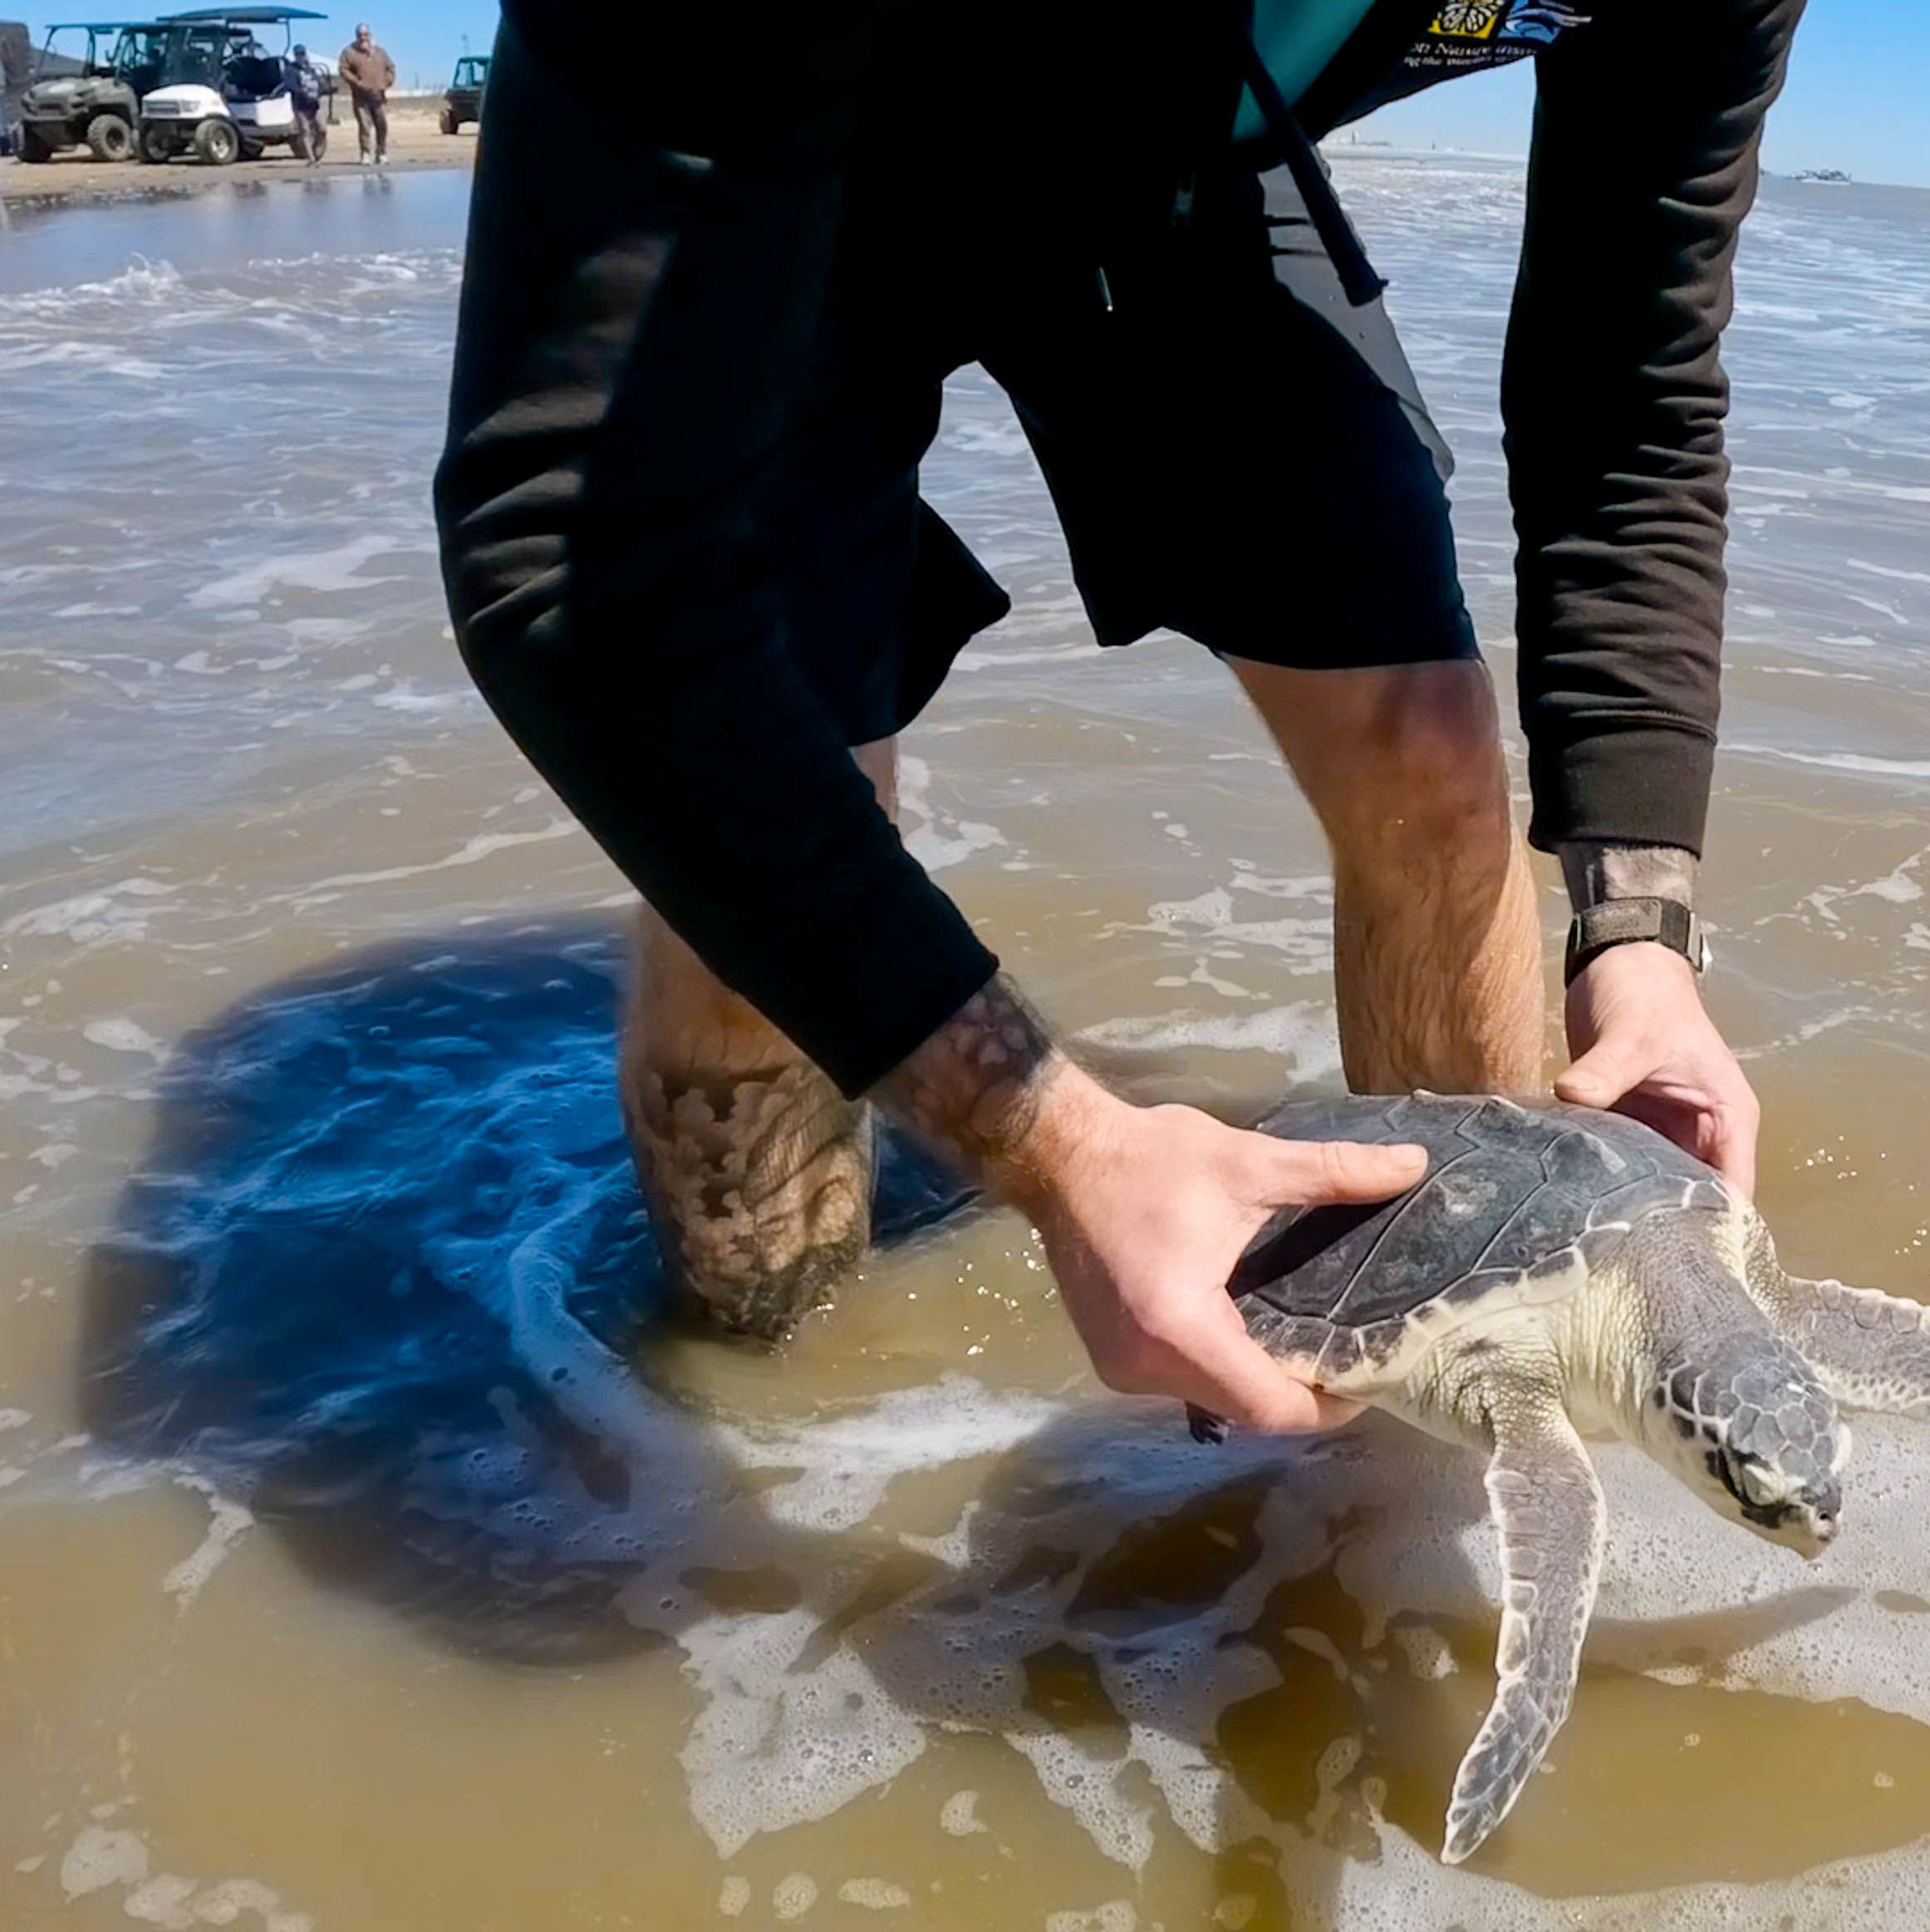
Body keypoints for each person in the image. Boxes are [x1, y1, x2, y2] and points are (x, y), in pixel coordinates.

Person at [433, 2, 1796, 1433]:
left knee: (1428, 751)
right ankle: (752, 1425)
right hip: (815, 161)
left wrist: (1638, 932)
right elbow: (568, 565)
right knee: (767, 848)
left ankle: (1434, 1454)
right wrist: (1057, 1144)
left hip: (1181, 147)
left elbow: (1628, 392)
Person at [335, 22, 390, 163]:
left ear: (370, 35)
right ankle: (365, 153)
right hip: (361, 98)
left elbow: (391, 68)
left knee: (382, 125)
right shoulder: (349, 52)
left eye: (366, 35)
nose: (363, 38)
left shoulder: (380, 52)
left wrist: (386, 83)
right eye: (360, 35)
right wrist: (358, 83)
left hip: (379, 96)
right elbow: (343, 70)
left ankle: (381, 153)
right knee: (365, 126)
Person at [283, 42, 328, 165]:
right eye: (298, 54)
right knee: (305, 130)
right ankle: (311, 158)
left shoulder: (311, 70)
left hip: (315, 104)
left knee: (322, 128)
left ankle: (317, 152)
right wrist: (303, 94)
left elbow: (321, 83)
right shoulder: (291, 70)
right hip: (300, 105)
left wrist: (324, 90)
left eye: (302, 54)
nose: (300, 56)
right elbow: (291, 86)